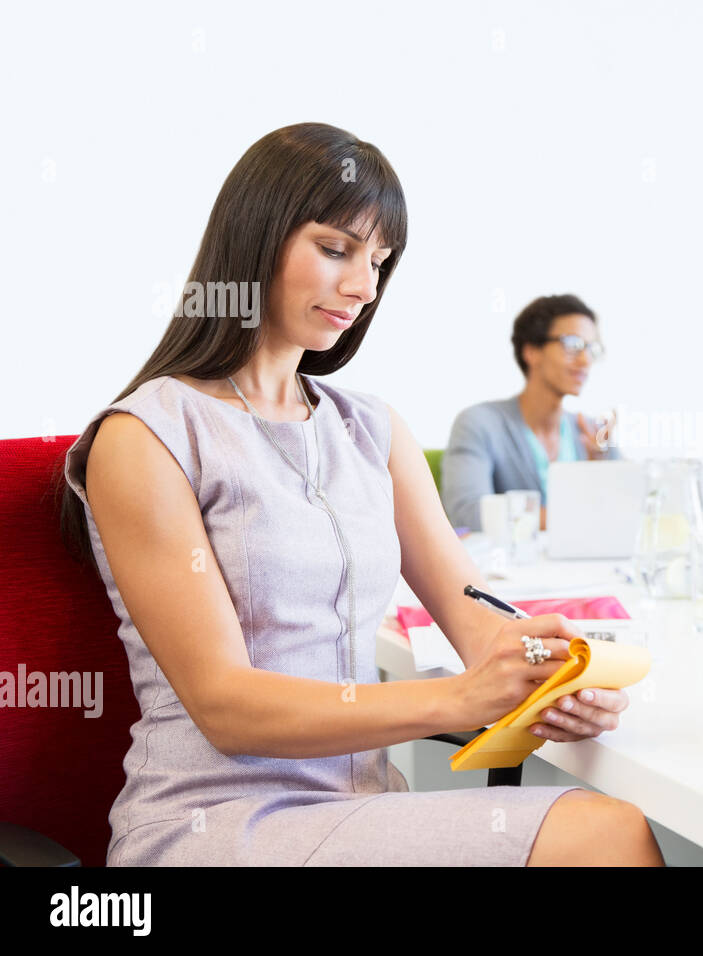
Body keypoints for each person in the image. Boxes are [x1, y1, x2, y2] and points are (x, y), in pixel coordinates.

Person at [59, 122, 662, 866]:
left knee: (601, 823)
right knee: (604, 832)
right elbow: (224, 706)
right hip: (215, 823)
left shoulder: (371, 430)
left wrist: (554, 675)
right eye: (336, 249)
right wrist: (458, 701)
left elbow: (481, 621)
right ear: (254, 238)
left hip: (360, 810)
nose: (363, 286)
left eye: (379, 262)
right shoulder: (149, 435)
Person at [441, 294, 618, 532]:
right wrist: (579, 517)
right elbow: (467, 513)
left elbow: (630, 506)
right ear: (531, 351)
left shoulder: (590, 433)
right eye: (573, 344)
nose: (585, 360)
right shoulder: (479, 423)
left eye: (591, 349)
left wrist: (599, 466)